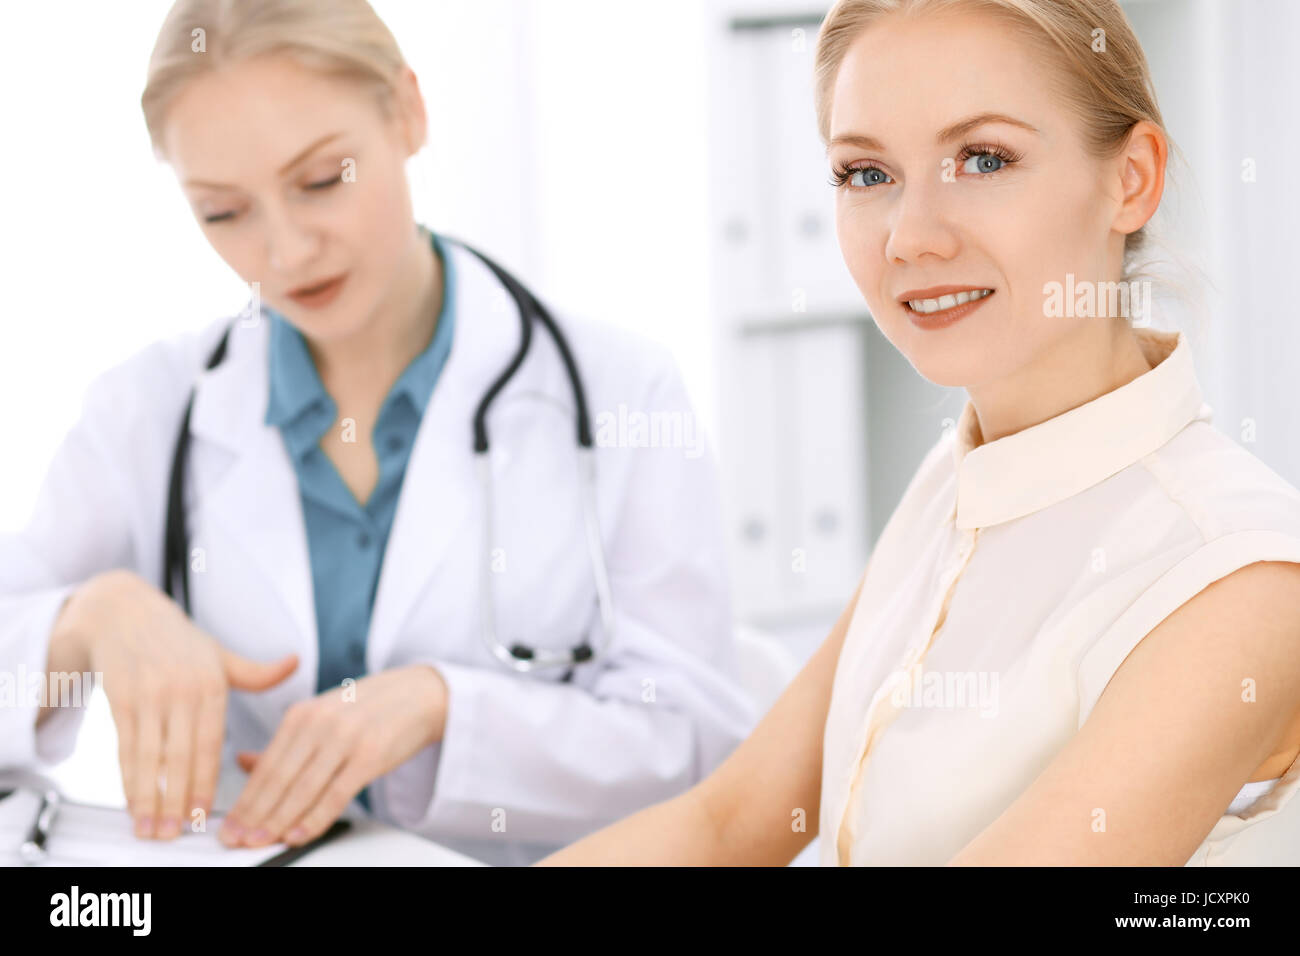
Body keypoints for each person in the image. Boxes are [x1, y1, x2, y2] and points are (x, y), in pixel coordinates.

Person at [538, 0, 1300, 866]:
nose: (910, 236)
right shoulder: (958, 480)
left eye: (982, 159)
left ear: (1131, 179)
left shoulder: (1240, 575)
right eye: (866, 174)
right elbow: (729, 821)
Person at [0, 0, 754, 867]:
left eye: (321, 180)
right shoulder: (149, 410)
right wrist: (85, 618)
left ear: (408, 112)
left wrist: (445, 709)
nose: (283, 251)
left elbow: (702, 751)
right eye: (222, 212)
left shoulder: (620, 389)